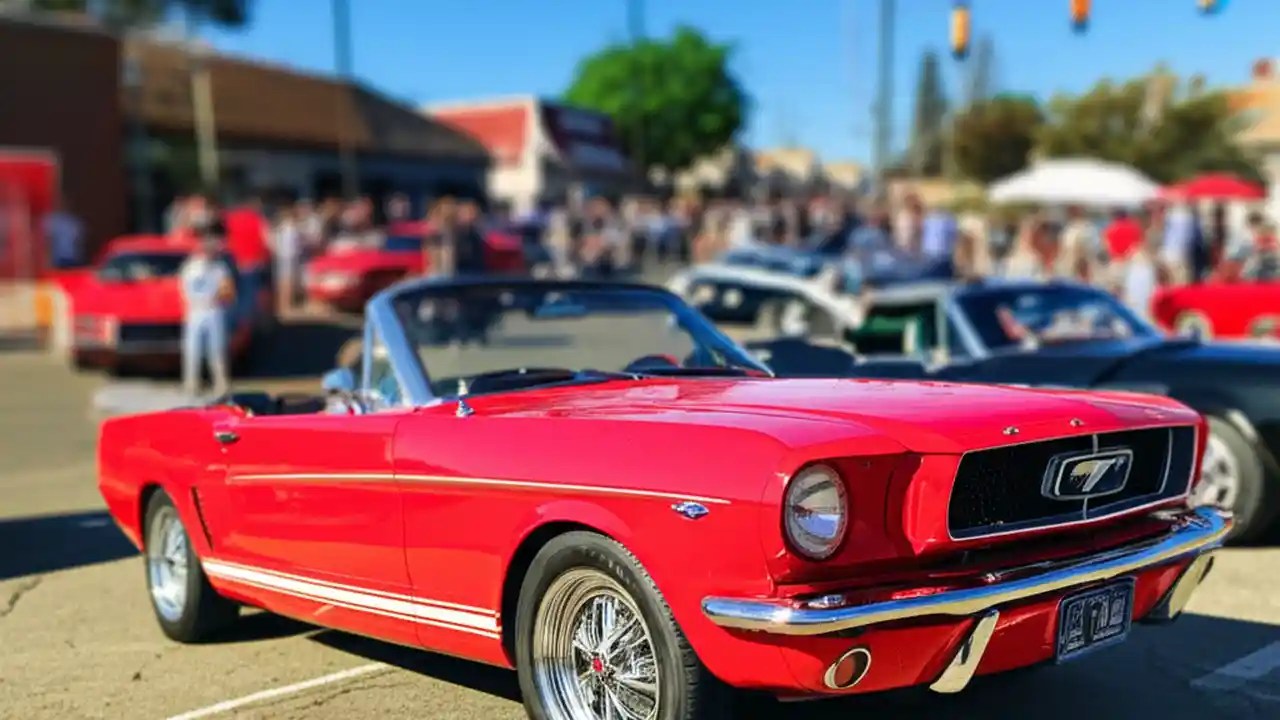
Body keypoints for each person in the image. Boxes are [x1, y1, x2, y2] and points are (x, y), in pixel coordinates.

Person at [179, 221, 236, 398]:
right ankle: (191, 383)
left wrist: (223, 295)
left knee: (216, 348)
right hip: (196, 310)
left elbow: (228, 290)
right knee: (192, 349)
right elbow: (184, 289)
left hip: (214, 310)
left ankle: (220, 383)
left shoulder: (220, 267)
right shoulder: (191, 266)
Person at [43, 198, 84, 269]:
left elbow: (80, 240)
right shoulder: (49, 220)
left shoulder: (73, 221)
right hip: (59, 259)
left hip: (71, 258)